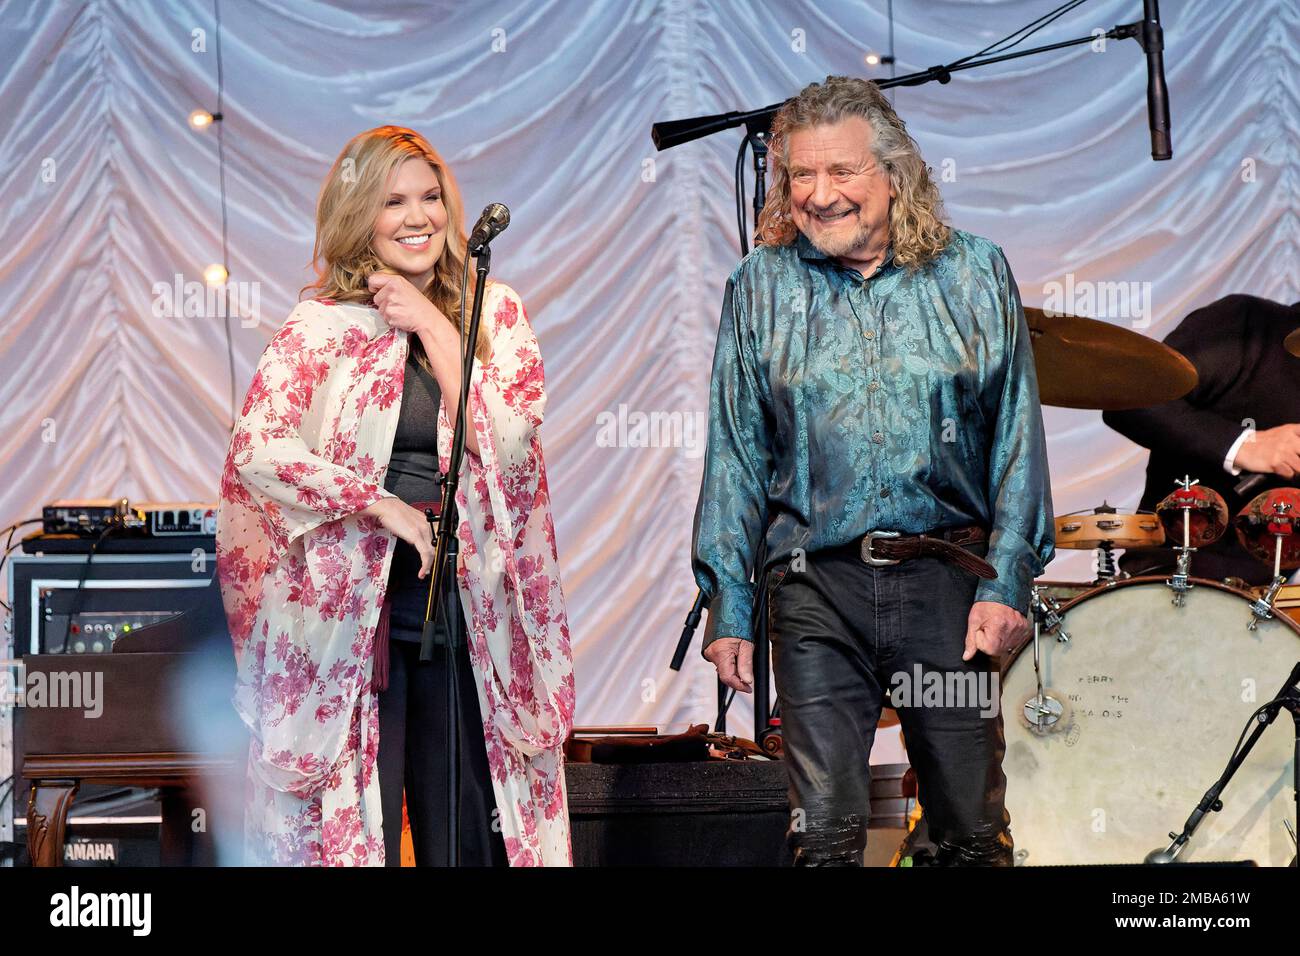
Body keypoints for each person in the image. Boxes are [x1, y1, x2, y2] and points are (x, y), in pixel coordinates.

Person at [692, 77, 1054, 866]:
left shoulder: (973, 273)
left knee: (967, 828)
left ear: (896, 174)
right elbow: (736, 453)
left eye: (842, 173)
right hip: (816, 591)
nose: (819, 196)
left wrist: (1006, 583)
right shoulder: (763, 284)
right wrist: (728, 603)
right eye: (800, 176)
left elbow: (1018, 442)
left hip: (946, 590)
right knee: (822, 832)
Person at [216, 126, 574, 866]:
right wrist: (376, 502)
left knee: (468, 832)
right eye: (393, 201)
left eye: (430, 197)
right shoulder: (318, 327)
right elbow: (257, 448)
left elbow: (507, 446)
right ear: (359, 217)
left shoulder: (493, 314)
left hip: (469, 608)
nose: (418, 217)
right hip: (353, 619)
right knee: (355, 831)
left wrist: (434, 323)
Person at [1103, 294, 1300, 586]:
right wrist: (1245, 445)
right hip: (1171, 586)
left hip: (1273, 605)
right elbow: (1128, 399)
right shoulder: (1247, 323)